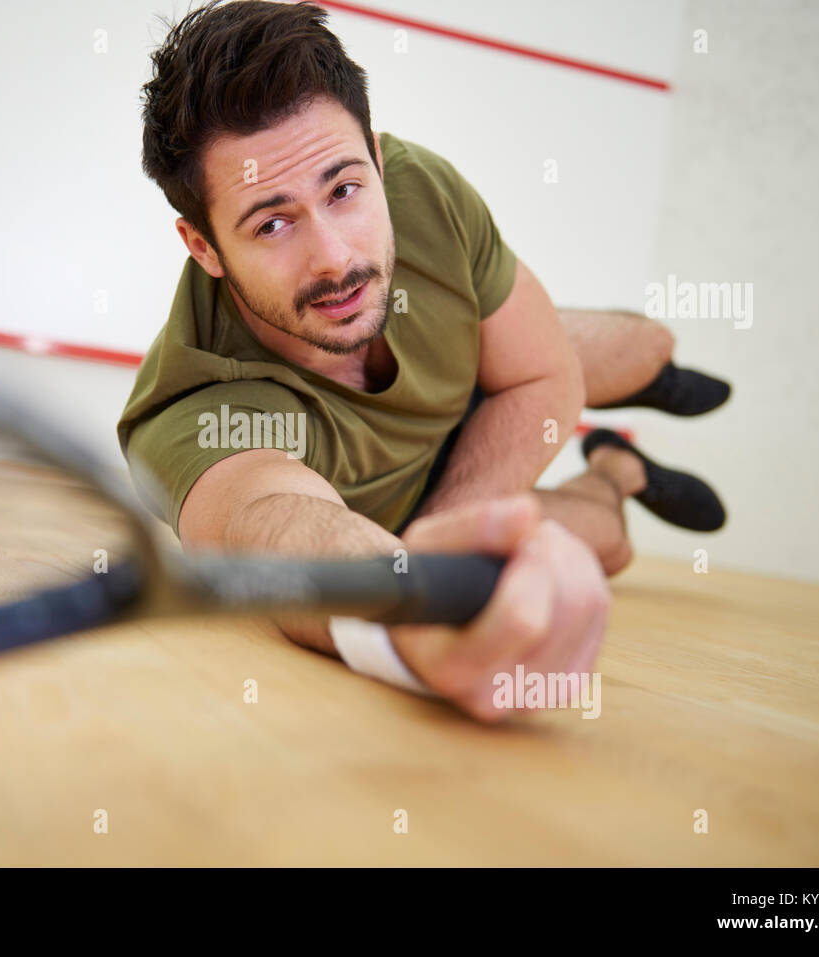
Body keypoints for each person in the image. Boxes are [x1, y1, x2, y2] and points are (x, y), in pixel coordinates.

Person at [118, 0, 729, 720]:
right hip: (413, 504)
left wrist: (445, 549)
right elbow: (275, 523)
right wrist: (415, 592)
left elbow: (542, 377)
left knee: (639, 347)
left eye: (344, 190)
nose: (337, 258)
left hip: (468, 374)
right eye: (273, 222)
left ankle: (637, 377)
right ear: (204, 246)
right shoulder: (188, 419)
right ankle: (617, 466)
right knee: (605, 544)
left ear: (378, 160)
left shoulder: (420, 187)